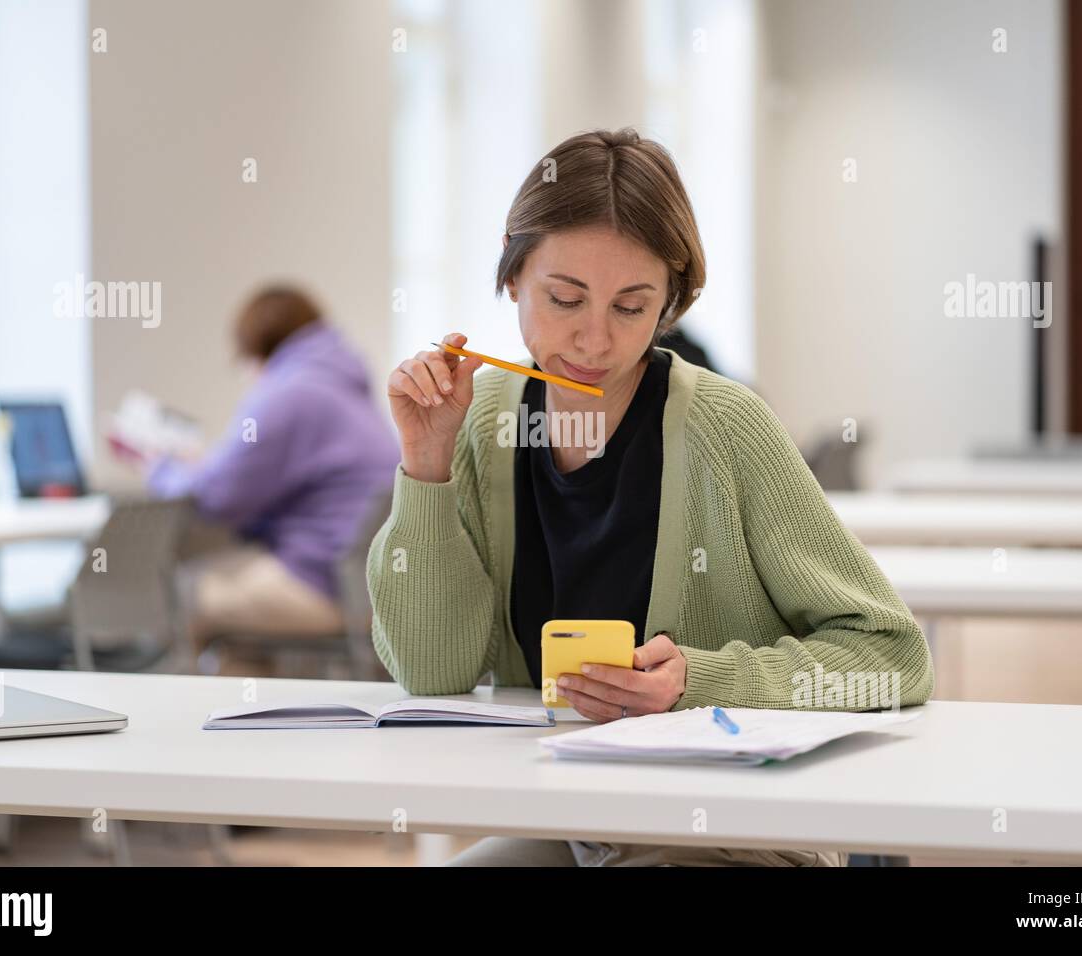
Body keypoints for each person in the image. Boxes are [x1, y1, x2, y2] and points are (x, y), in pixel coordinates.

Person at [368, 129, 933, 866]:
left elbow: (891, 656)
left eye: (631, 308)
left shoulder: (728, 427)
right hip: (564, 818)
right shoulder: (480, 419)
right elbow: (432, 672)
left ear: (671, 301)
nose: (594, 340)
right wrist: (426, 463)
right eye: (564, 299)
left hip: (733, 830)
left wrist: (701, 682)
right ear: (511, 276)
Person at [140, 287, 399, 657]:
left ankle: (168, 712)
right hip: (367, 585)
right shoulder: (342, 383)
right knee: (236, 618)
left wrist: (161, 467)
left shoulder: (290, 392)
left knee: (176, 591)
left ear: (255, 349)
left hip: (322, 587)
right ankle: (242, 707)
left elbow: (217, 497)